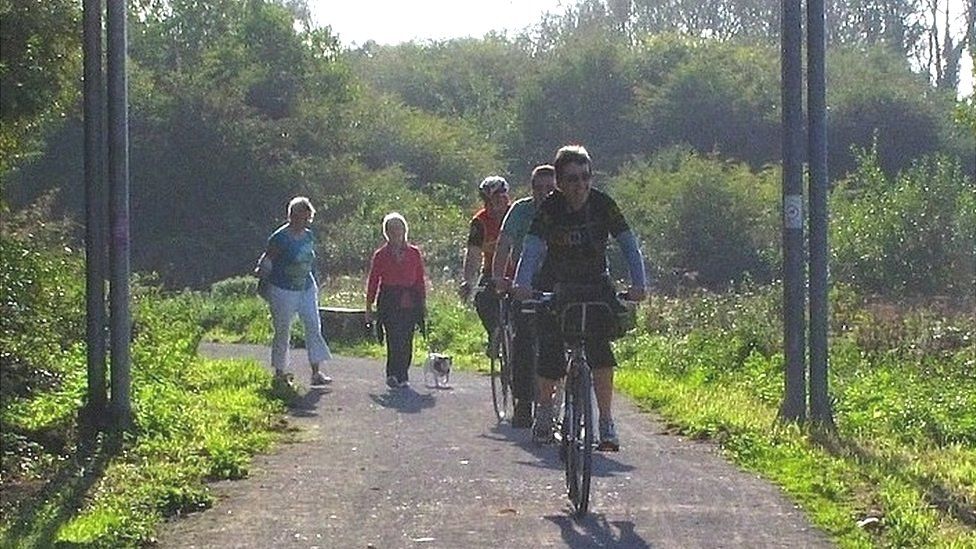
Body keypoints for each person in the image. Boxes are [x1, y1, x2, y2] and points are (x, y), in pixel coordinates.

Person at [513, 146, 647, 451]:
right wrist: (522, 283)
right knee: (550, 350)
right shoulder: (550, 208)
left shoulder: (603, 205)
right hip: (557, 283)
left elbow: (629, 244)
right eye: (572, 179)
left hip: (594, 283)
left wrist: (640, 284)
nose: (580, 185)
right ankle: (545, 412)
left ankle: (606, 423)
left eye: (586, 177)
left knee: (600, 350)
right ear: (560, 182)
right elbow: (532, 248)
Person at [491, 164, 557, 428]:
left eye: (550, 189)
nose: (544, 194)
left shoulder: (566, 210)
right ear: (531, 190)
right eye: (538, 189)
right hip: (524, 282)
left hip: (556, 279)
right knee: (525, 338)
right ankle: (524, 401)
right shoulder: (520, 211)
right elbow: (504, 244)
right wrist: (498, 277)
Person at [256, 196, 333, 387]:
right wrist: (263, 282)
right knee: (283, 330)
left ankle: (316, 372)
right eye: (300, 217)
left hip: (306, 287)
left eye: (307, 218)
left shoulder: (309, 236)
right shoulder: (279, 238)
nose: (304, 222)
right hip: (282, 289)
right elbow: (267, 261)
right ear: (291, 216)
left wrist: (316, 279)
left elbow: (311, 260)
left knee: (313, 327)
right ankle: (280, 372)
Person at [365, 212, 428, 389]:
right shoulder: (380, 255)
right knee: (393, 337)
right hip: (389, 299)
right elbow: (373, 281)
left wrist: (422, 303)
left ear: (404, 230)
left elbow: (420, 279)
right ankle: (392, 374)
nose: (395, 232)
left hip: (409, 299)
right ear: (386, 232)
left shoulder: (414, 253)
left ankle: (403, 374)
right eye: (391, 229)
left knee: (407, 338)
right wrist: (368, 306)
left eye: (398, 228)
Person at [459, 175, 511, 355]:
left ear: (506, 197)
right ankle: (495, 334)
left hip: (517, 271)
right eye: (487, 201)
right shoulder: (479, 222)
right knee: (481, 298)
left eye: (497, 200)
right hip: (491, 271)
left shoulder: (517, 215)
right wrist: (467, 281)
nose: (493, 206)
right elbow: (473, 254)